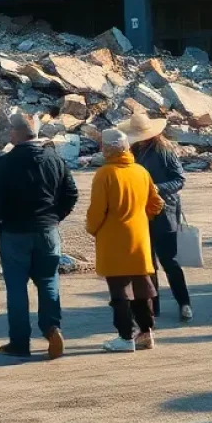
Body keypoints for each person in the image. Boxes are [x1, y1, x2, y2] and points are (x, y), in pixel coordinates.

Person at [0, 112, 78, 360]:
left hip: (14, 233)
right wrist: (56, 216)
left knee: (16, 288)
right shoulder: (54, 159)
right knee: (48, 281)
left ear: (18, 133)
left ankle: (19, 342)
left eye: (11, 130)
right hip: (47, 232)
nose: (9, 134)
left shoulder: (5, 163)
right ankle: (51, 328)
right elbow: (71, 193)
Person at [86, 129, 165, 353]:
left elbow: (97, 211)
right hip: (139, 237)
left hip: (114, 239)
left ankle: (124, 336)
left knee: (119, 290)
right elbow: (157, 202)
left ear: (108, 149)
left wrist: (92, 229)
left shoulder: (105, 174)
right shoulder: (140, 171)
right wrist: (142, 218)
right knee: (142, 287)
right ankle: (146, 333)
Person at [118, 112, 194, 321]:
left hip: (164, 212)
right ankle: (153, 306)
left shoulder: (164, 151)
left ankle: (184, 303)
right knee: (147, 263)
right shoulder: (132, 151)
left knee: (169, 261)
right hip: (140, 213)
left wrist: (153, 189)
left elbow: (179, 180)